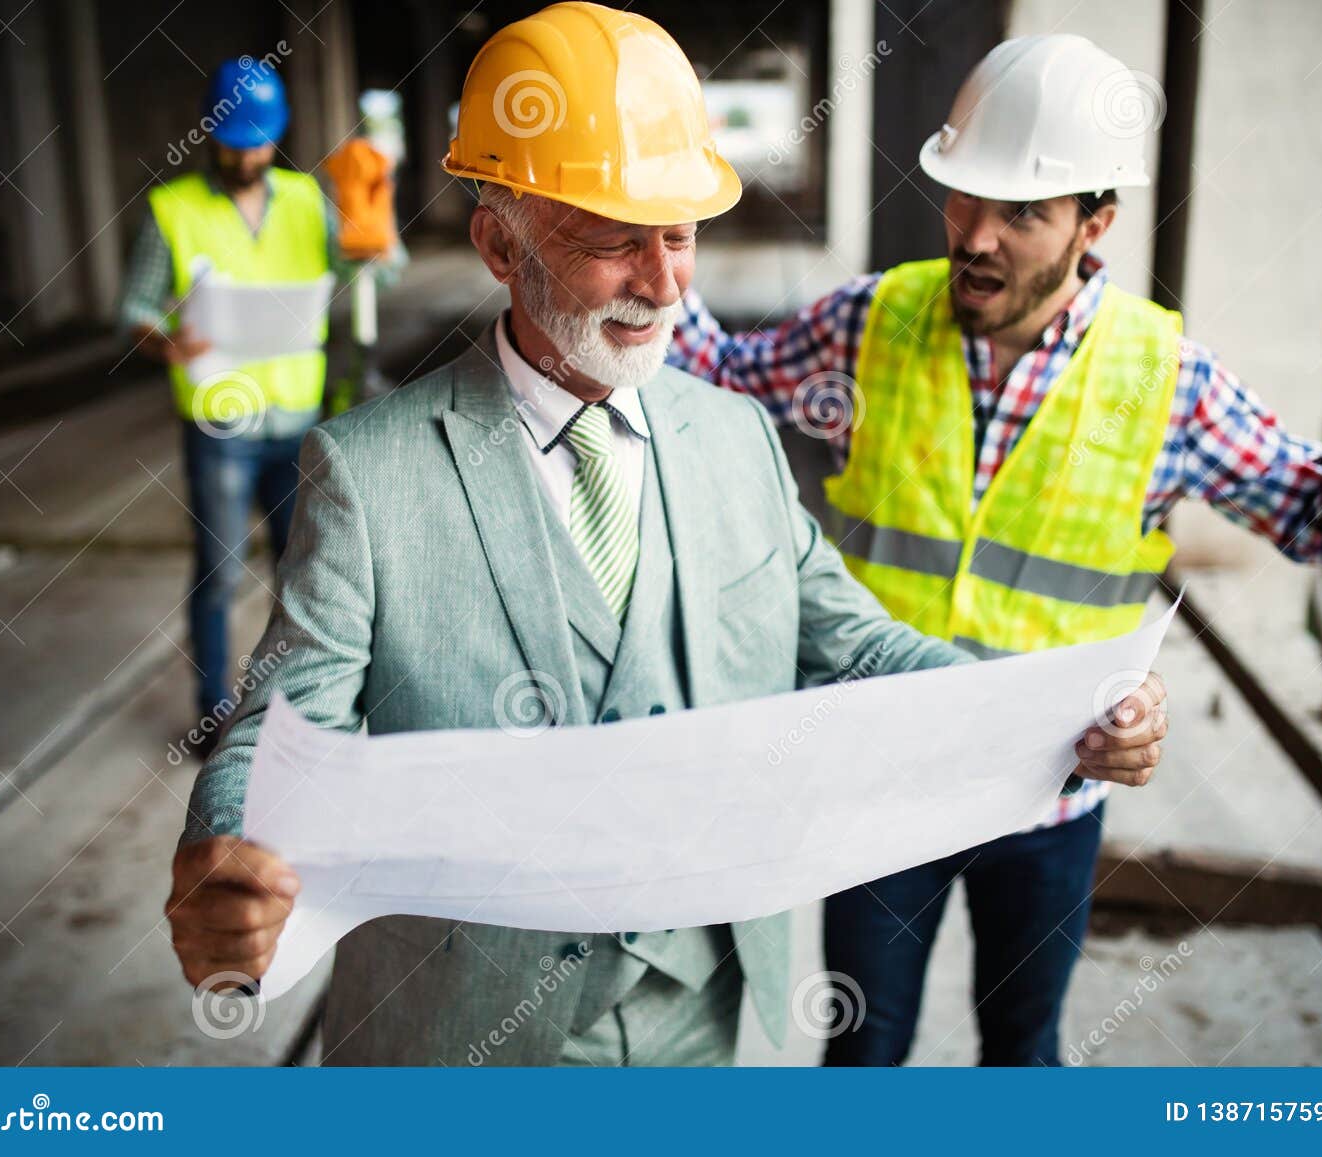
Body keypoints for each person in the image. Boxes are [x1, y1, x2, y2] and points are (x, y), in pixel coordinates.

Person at [164, 5, 1170, 1067]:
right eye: (610, 238)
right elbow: (273, 735)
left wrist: (1052, 716)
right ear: (502, 244)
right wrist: (227, 854)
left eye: (681, 234)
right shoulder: (369, 474)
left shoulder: (736, 438)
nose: (661, 283)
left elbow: (860, 647)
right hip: (464, 1033)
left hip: (704, 1018)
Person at [666, 32, 1322, 1067]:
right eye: (964, 197)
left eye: (1022, 213)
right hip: (881, 778)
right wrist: (659, 212)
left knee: (1022, 1051)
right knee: (859, 1061)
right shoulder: (871, 324)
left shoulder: (1162, 374)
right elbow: (714, 372)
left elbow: (1315, 510)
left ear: (1096, 222)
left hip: (1049, 797)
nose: (976, 236)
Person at [118, 57, 348, 751]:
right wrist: (165, 340)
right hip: (220, 422)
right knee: (219, 572)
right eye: (235, 139)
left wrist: (374, 239)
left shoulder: (309, 201)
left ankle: (291, 711)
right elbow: (134, 306)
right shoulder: (172, 210)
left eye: (259, 140)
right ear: (210, 133)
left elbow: (367, 268)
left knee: (300, 577)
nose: (247, 152)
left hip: (295, 419)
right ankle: (215, 713)